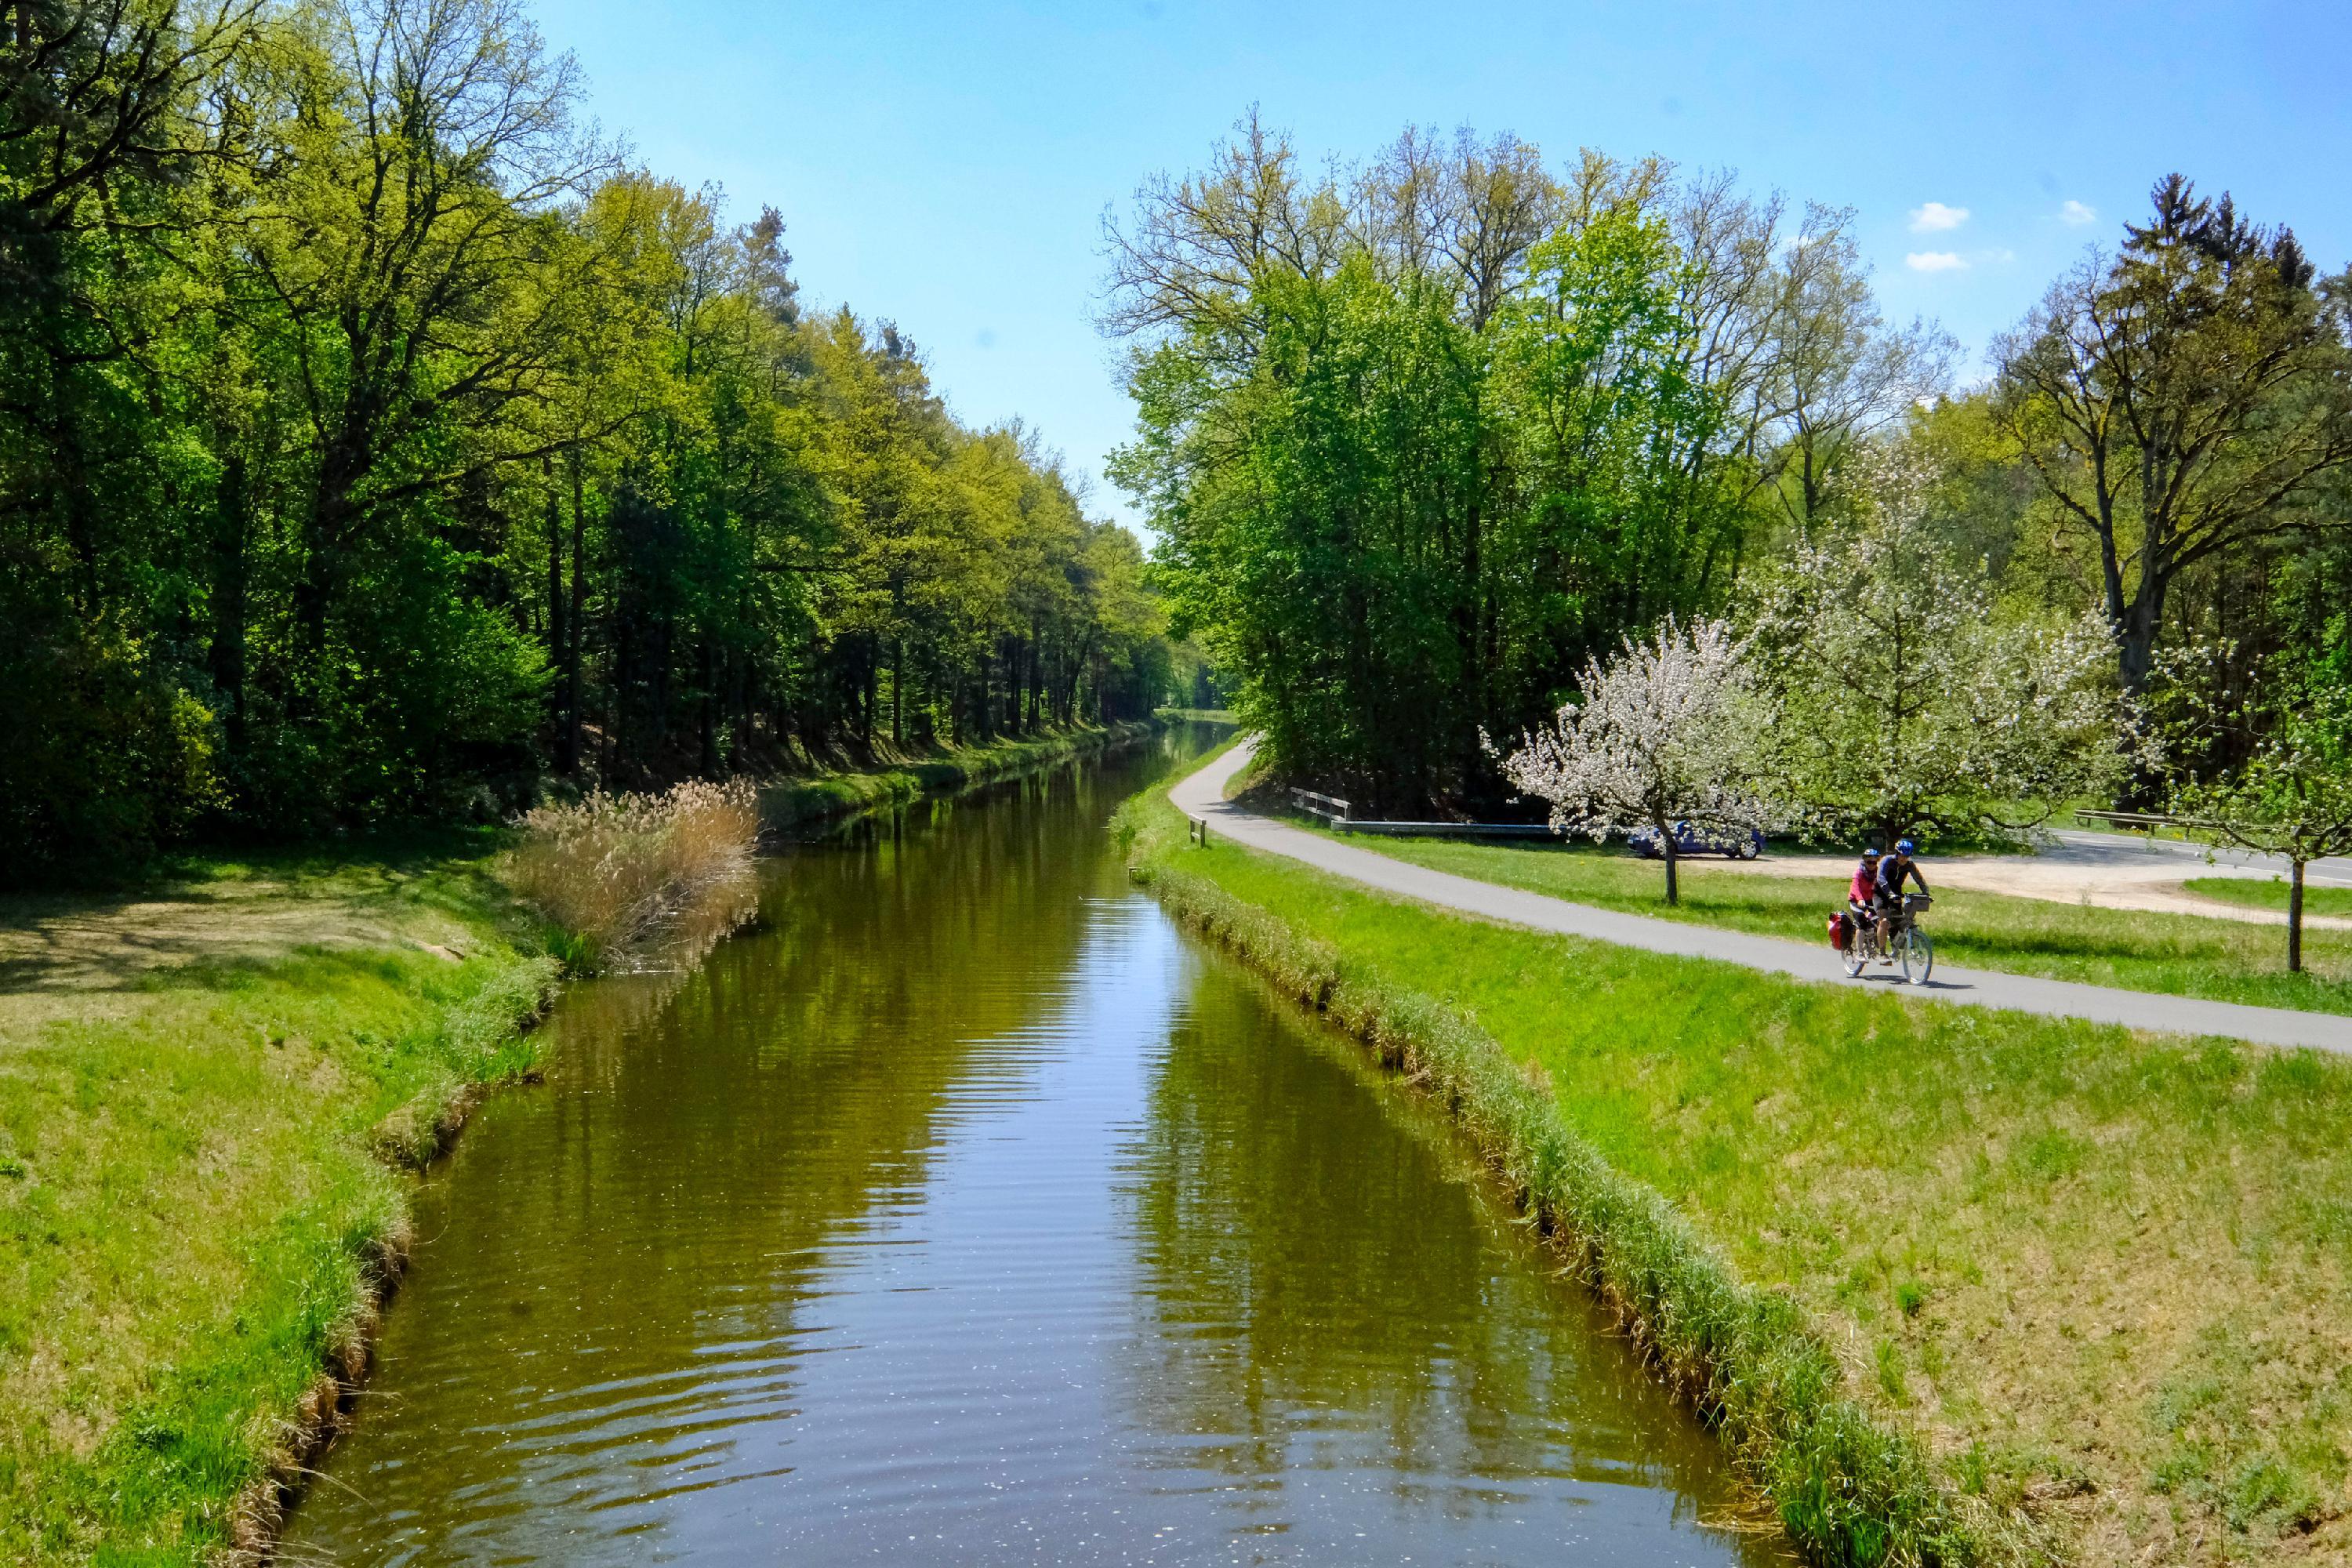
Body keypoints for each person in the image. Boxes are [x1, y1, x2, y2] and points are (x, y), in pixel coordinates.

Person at [1873, 840, 1929, 962]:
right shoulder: (1887, 861)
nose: (1905, 859)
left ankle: (1895, 946)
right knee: (1884, 920)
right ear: (1897, 854)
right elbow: (1881, 878)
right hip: (1880, 893)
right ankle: (1882, 954)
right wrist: (1890, 893)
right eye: (1903, 856)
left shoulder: (1909, 865)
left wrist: (1926, 893)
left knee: (1899, 921)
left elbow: (1919, 879)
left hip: (1896, 895)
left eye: (1907, 857)